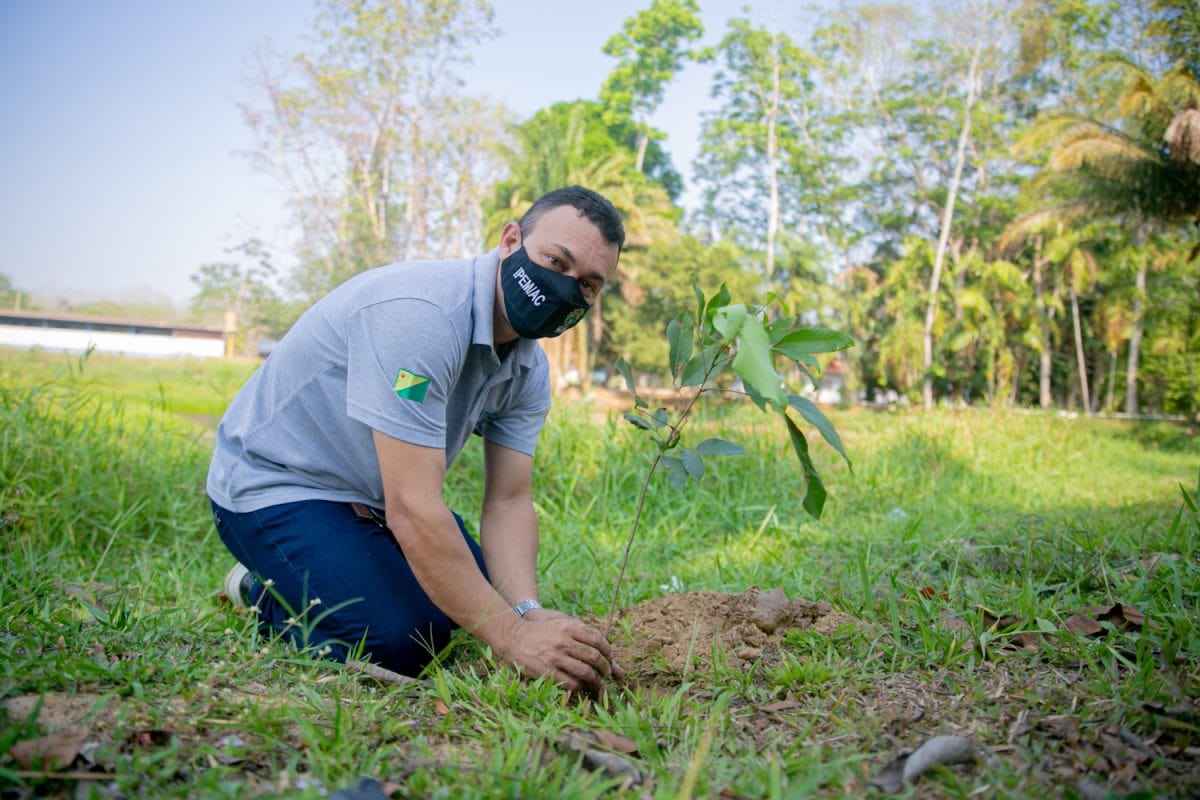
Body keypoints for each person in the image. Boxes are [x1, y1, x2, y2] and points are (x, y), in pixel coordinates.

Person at [206, 186, 625, 690]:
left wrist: (524, 611)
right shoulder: (421, 318)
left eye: (587, 284)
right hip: (278, 483)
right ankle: (260, 591)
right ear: (511, 240)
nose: (564, 288)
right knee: (401, 641)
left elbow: (510, 500)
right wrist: (511, 638)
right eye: (555, 260)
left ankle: (348, 562)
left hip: (373, 493)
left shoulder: (528, 369)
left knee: (477, 595)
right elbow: (413, 506)